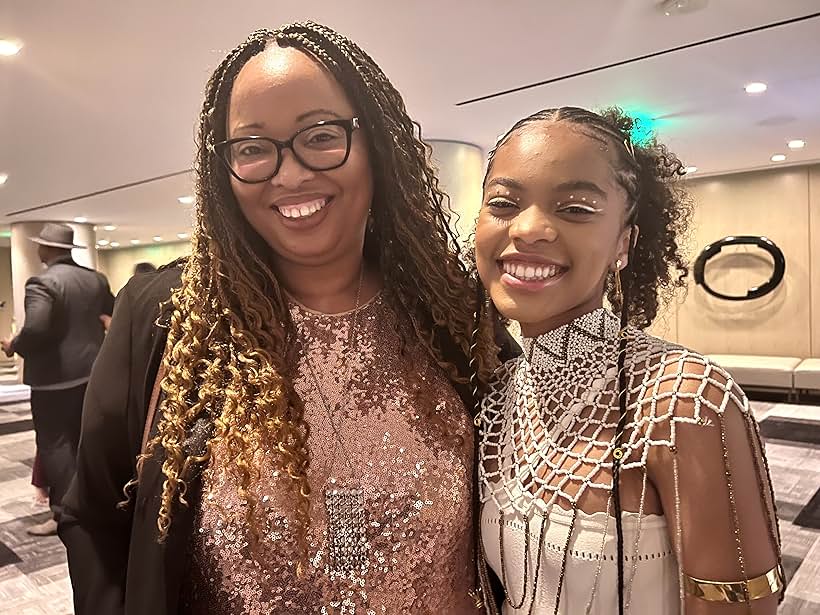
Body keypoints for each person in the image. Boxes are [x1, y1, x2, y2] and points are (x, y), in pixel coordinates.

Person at [60, 22, 513, 615]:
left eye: (320, 136)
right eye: (252, 148)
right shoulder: (169, 317)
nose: (290, 173)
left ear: (374, 143)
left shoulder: (450, 310)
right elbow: (93, 515)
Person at [471, 107, 783, 614]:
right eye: (504, 203)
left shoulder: (686, 401)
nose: (528, 228)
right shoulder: (496, 395)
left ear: (624, 242)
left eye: (574, 208)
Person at [1, 223, 114, 536]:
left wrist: (14, 346)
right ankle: (92, 504)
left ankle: (65, 514)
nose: (37, 249)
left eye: (40, 245)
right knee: (84, 441)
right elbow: (113, 315)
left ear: (48, 250)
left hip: (53, 382)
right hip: (92, 376)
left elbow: (37, 328)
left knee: (55, 447)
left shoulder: (42, 282)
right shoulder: (95, 279)